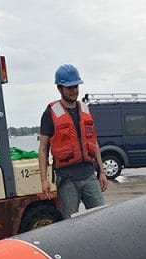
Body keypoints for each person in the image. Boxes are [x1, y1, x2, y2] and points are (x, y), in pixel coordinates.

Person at [38, 64, 108, 219]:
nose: (74, 91)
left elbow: (93, 142)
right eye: (69, 87)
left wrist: (102, 172)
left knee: (102, 218)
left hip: (90, 176)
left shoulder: (85, 109)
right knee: (70, 224)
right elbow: (43, 148)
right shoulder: (50, 114)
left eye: (76, 86)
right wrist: (44, 180)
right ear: (59, 88)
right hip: (67, 179)